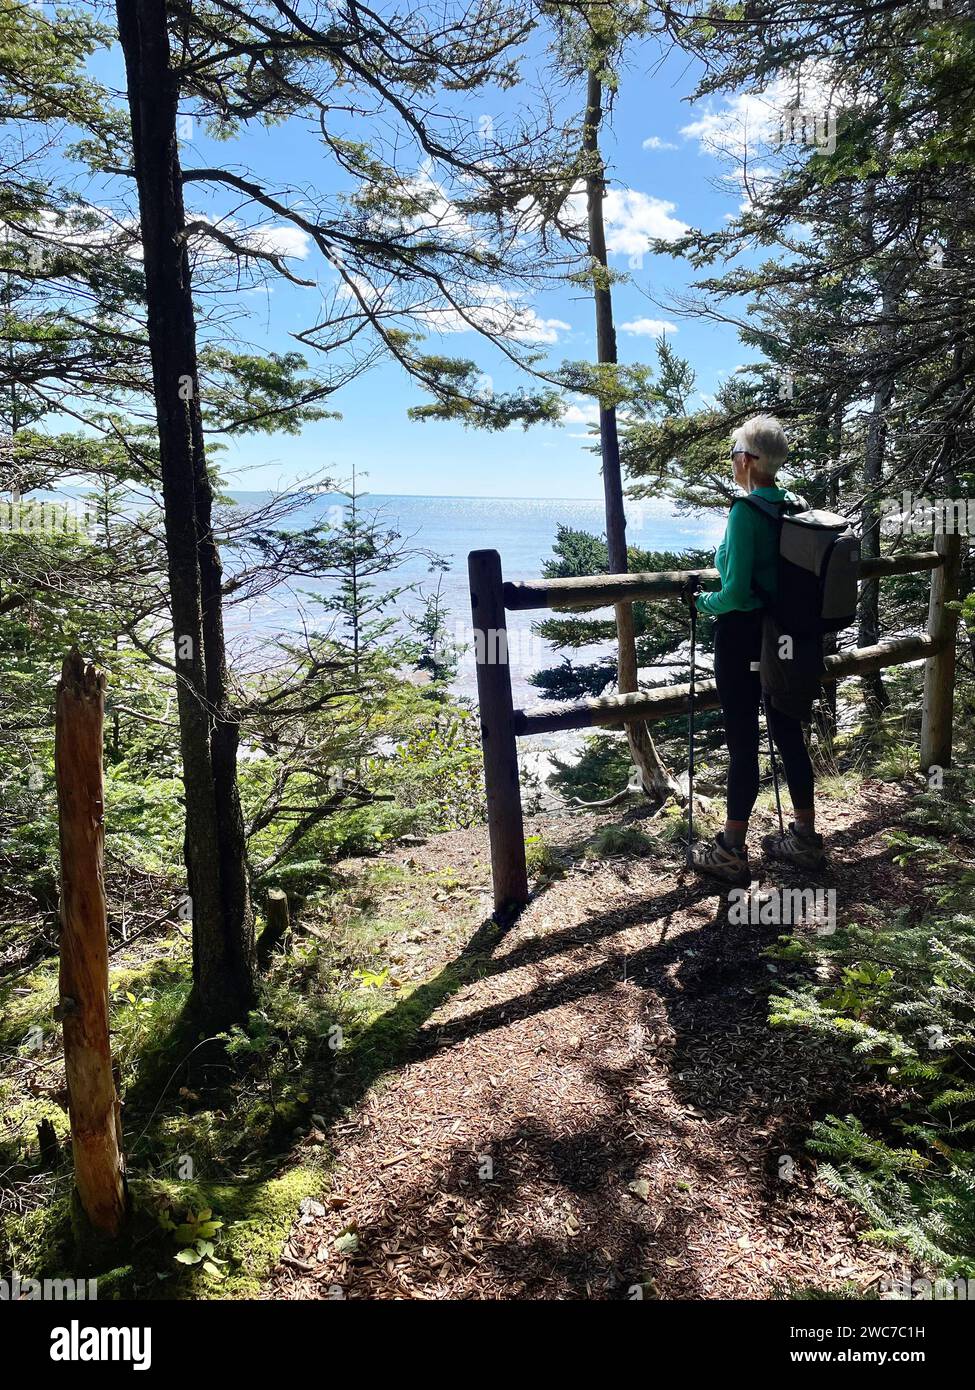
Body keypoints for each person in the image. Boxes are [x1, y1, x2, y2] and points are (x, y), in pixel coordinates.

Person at [690, 415, 825, 885]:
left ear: (747, 460)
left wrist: (701, 600)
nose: (732, 463)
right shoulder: (796, 506)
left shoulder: (746, 512)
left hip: (744, 636)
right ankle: (805, 839)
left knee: (743, 743)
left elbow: (737, 592)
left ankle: (730, 848)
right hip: (789, 637)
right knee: (788, 732)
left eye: (733, 455)